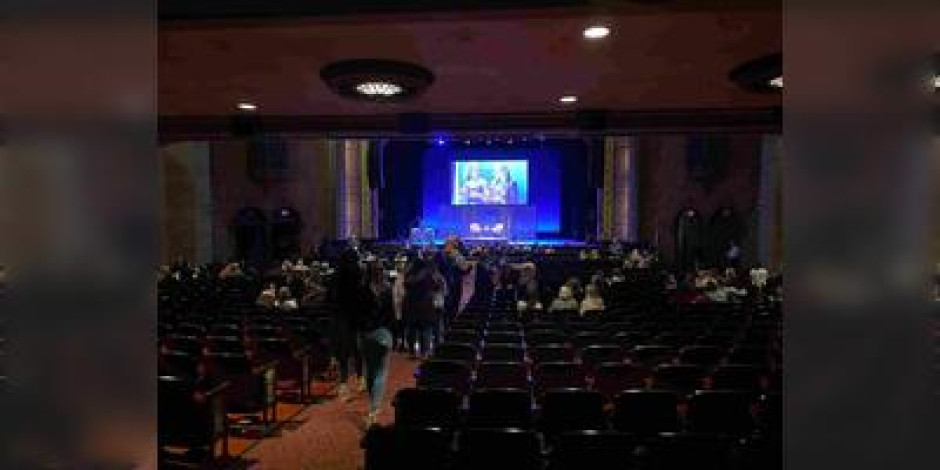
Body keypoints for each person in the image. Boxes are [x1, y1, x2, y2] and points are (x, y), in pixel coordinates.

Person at [354, 262, 396, 427]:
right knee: (380, 372)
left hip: (364, 335)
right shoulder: (387, 289)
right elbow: (391, 314)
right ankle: (373, 411)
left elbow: (355, 315)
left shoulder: (360, 290)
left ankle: (372, 407)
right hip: (382, 334)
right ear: (382, 273)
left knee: (370, 371)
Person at [329, 248, 365, 400]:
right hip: (355, 315)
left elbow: (330, 297)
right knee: (356, 348)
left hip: (339, 315)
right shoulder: (358, 275)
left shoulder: (336, 276)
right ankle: (360, 378)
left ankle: (343, 384)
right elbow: (362, 297)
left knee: (343, 350)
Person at [402, 257, 440, 359]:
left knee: (412, 331)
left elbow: (405, 285)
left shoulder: (409, 276)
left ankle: (412, 352)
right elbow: (437, 287)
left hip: (411, 307)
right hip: (426, 307)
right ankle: (424, 352)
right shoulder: (429, 275)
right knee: (425, 330)